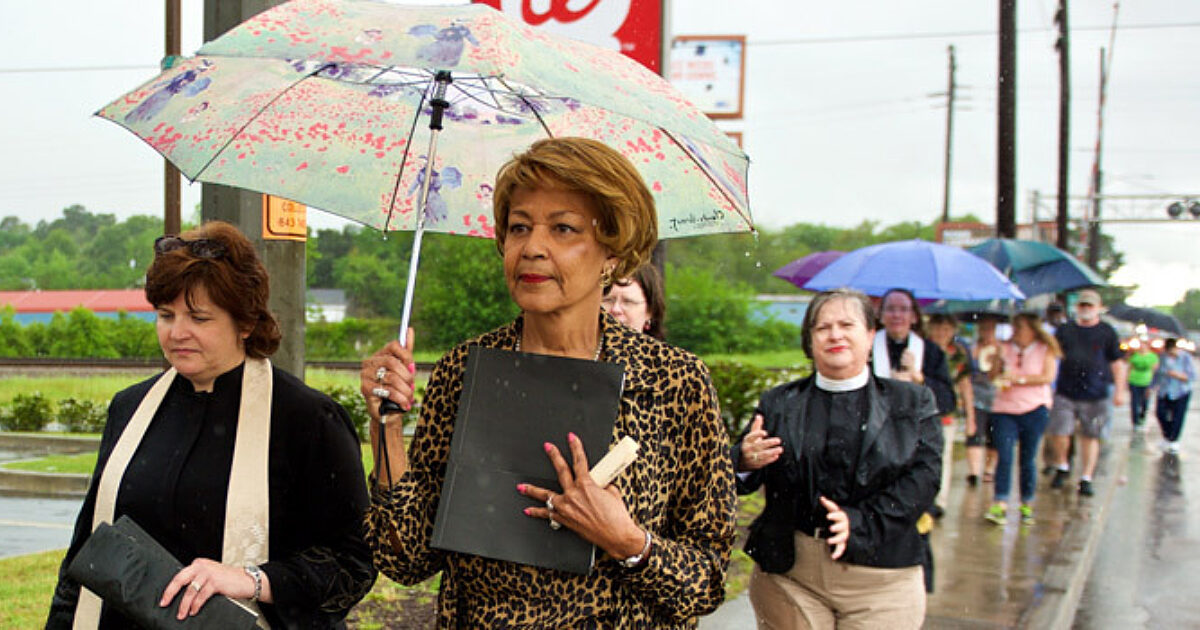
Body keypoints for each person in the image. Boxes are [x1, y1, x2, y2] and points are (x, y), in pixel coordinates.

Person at [360, 137, 736, 628]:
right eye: (519, 228)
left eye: (563, 229)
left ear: (613, 254)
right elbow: (406, 560)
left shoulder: (673, 382)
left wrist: (626, 541)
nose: (532, 248)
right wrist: (385, 430)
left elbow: (705, 585)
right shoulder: (464, 373)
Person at [46, 222, 376, 628]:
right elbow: (85, 554)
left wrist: (251, 580)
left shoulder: (307, 420)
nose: (177, 333)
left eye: (198, 318)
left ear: (246, 322)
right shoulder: (129, 408)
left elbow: (353, 564)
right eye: (166, 315)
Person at [734, 288, 942, 629]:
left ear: (871, 334)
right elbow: (731, 475)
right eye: (822, 327)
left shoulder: (911, 403)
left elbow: (924, 478)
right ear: (810, 339)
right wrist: (742, 461)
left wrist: (861, 522)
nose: (835, 335)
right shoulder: (780, 403)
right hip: (792, 575)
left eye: (847, 324)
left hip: (882, 578)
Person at [983, 313, 1062, 526]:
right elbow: (992, 376)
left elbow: (1047, 377)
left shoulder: (1045, 349)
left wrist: (1018, 379)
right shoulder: (1005, 348)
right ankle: (1000, 502)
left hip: (1034, 408)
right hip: (1004, 408)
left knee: (1027, 458)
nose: (1016, 332)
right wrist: (997, 361)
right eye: (1014, 327)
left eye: (1021, 328)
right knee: (1004, 455)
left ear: (1032, 330)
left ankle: (1027, 502)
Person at [1047, 289, 1127, 497]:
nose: (1086, 309)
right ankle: (1062, 465)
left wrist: (1120, 390)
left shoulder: (1106, 332)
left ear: (1098, 308)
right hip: (1065, 390)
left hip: (1095, 392)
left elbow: (1117, 362)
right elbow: (1052, 356)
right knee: (1060, 431)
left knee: (1090, 436)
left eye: (1090, 306)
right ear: (1077, 307)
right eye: (1083, 305)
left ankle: (1086, 477)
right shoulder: (1065, 330)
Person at [928, 313, 975, 494]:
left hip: (947, 411)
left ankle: (940, 499)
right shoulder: (921, 348)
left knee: (944, 455)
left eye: (947, 329)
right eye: (938, 328)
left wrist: (971, 418)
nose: (942, 333)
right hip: (923, 409)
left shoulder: (958, 354)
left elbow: (965, 385)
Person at [968, 315, 1004, 485]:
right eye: (984, 328)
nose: (987, 332)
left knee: (994, 437)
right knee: (975, 433)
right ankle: (974, 471)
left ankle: (989, 469)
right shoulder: (972, 348)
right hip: (976, 396)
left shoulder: (1001, 348)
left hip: (996, 398)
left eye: (990, 328)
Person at [1152, 337, 1196, 454]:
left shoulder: (1185, 358)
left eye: (1172, 351)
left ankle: (1174, 440)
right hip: (1164, 390)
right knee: (1160, 413)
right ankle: (1167, 435)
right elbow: (1158, 374)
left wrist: (1177, 375)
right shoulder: (1163, 357)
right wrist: (1152, 386)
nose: (1170, 354)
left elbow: (1192, 376)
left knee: (1178, 416)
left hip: (1181, 391)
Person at [601, 263, 665, 339]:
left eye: (628, 302)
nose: (616, 309)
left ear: (650, 311)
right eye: (608, 300)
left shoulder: (661, 351)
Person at [1127, 339, 1160, 431]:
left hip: (1147, 381)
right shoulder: (1135, 355)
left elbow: (1155, 370)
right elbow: (1130, 366)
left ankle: (1142, 416)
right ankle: (1135, 421)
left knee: (1144, 402)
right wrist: (1127, 379)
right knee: (1134, 401)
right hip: (1134, 380)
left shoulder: (1153, 356)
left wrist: (1154, 383)